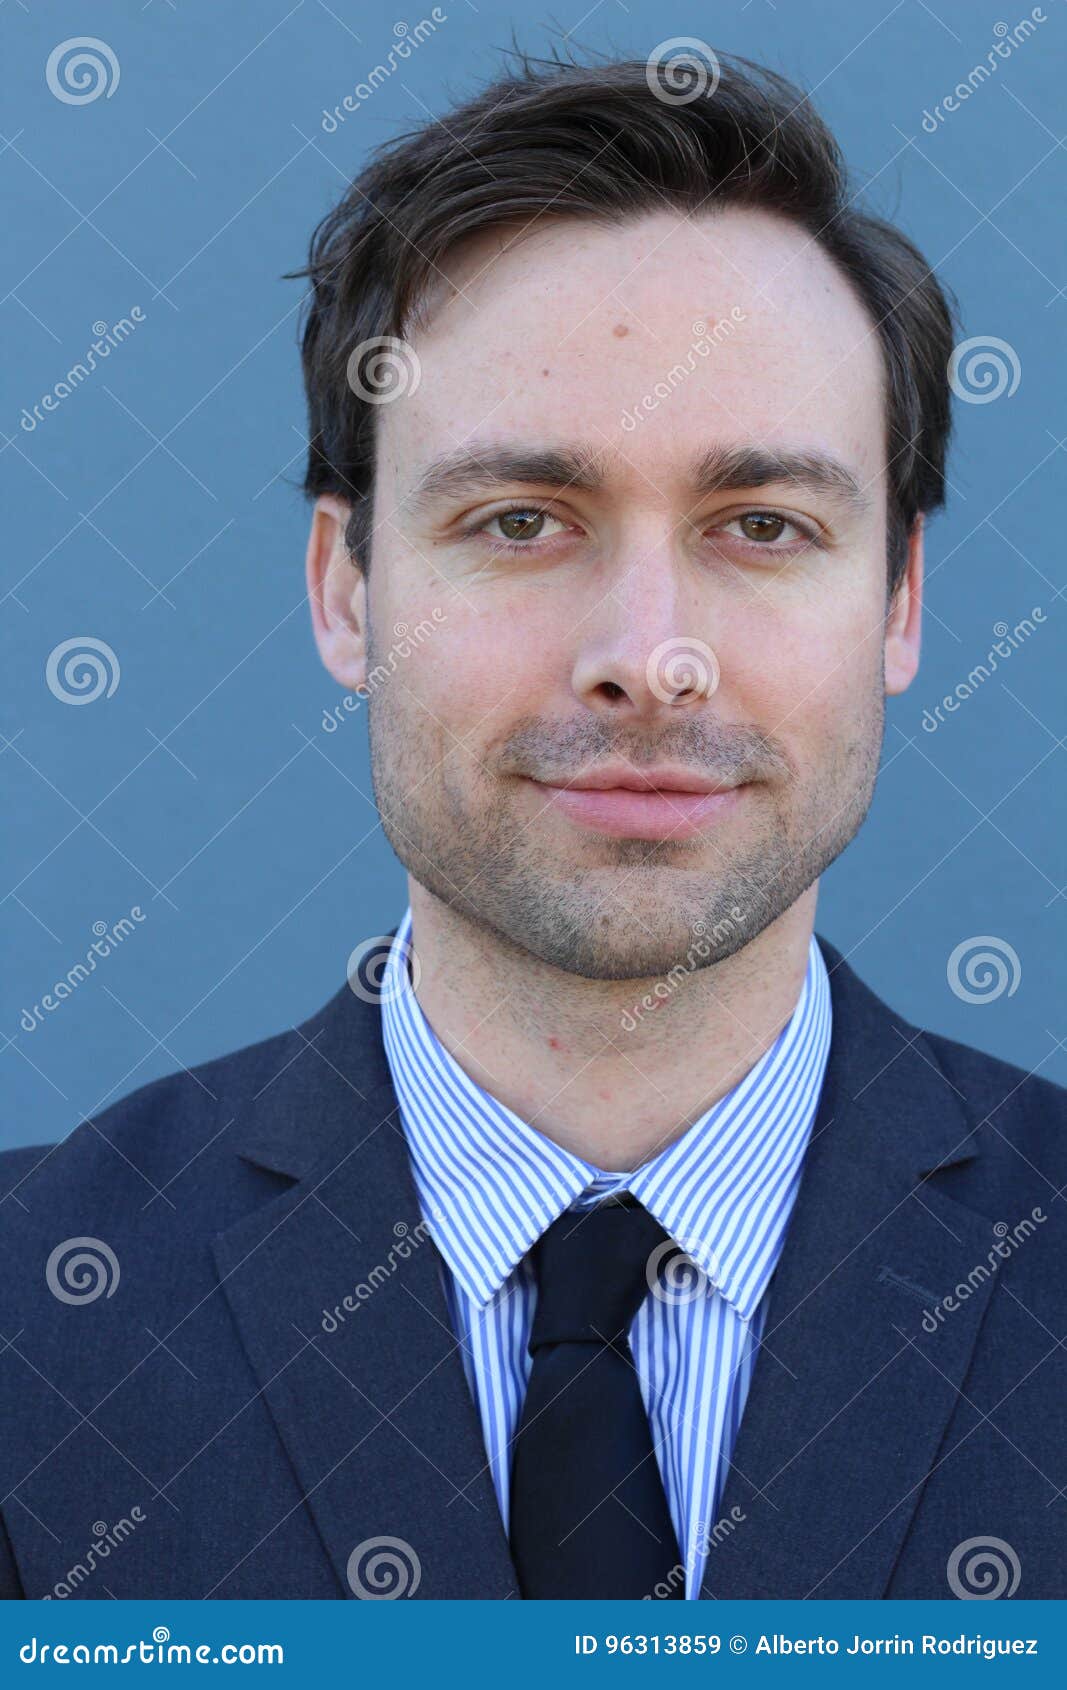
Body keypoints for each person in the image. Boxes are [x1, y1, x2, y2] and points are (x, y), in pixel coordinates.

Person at [2, 47, 1064, 1603]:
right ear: (347, 587)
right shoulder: (36, 1317)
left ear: (901, 600)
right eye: (520, 520)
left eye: (761, 525)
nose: (648, 651)